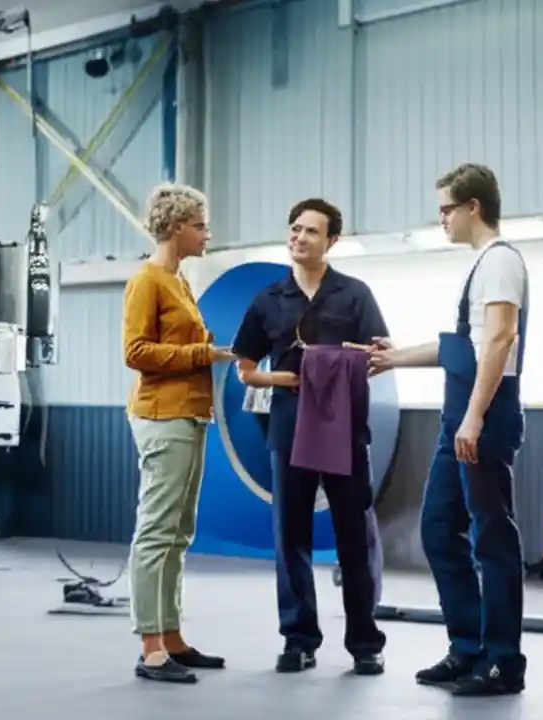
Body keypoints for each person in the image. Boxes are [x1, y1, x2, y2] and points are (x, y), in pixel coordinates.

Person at [369, 163, 529, 696]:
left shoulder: (501, 262)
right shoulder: (478, 266)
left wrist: (475, 416)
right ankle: (467, 648)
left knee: (492, 538)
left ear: (473, 207)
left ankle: (504, 660)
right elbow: (458, 346)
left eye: (446, 209)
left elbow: (500, 341)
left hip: (480, 415)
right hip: (458, 416)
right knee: (440, 529)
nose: (441, 218)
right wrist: (391, 359)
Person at [230, 197, 389, 676]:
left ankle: (365, 642)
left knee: (352, 538)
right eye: (295, 229)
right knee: (290, 535)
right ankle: (299, 639)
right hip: (289, 429)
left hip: (344, 430)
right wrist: (287, 379)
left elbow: (380, 356)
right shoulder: (267, 301)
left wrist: (336, 367)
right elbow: (245, 369)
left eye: (311, 232)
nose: (299, 238)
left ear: (332, 241)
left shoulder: (355, 294)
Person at [121, 183, 236, 684]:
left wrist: (217, 348)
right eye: (202, 225)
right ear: (176, 227)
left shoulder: (179, 280)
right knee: (156, 531)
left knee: (178, 531)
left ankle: (171, 636)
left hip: (191, 415)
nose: (207, 234)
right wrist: (201, 355)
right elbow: (136, 352)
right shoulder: (148, 280)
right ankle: (150, 648)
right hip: (162, 416)